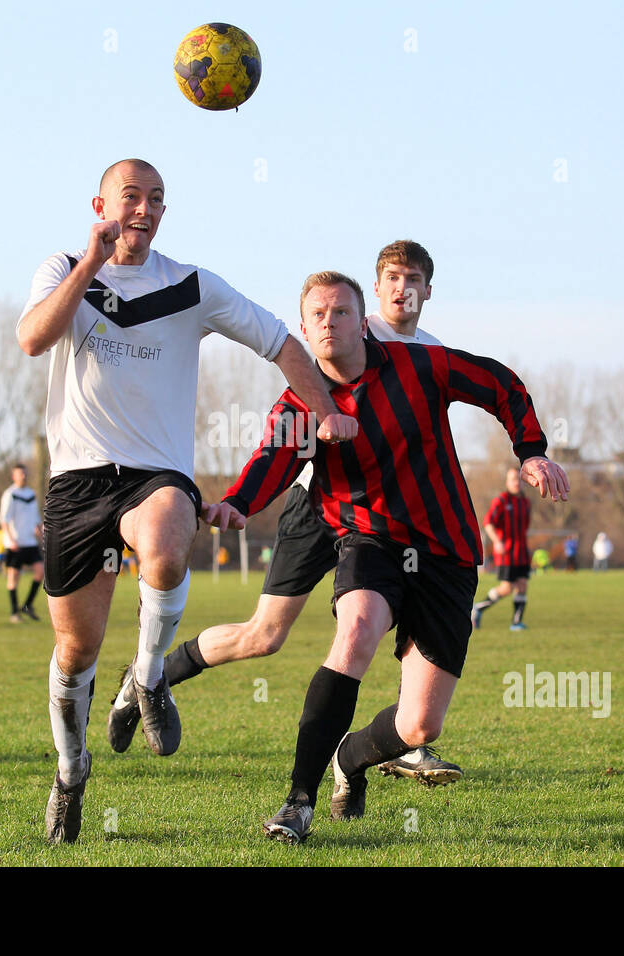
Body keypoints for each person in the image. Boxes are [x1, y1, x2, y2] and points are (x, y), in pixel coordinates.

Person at [16, 158, 354, 844]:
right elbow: (32, 339)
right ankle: (71, 772)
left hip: (155, 474)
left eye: (156, 200)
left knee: (169, 545)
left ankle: (148, 678)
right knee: (75, 652)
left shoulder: (192, 285)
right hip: (77, 482)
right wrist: (90, 263)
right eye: (130, 197)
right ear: (100, 204)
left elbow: (283, 344)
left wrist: (325, 412)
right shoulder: (62, 269)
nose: (143, 209)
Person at [202, 271, 567, 844]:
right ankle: (298, 802)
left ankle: (350, 759)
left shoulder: (419, 365)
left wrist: (532, 452)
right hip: (369, 540)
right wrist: (237, 503)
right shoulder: (301, 402)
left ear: (361, 318)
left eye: (341, 312)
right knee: (356, 631)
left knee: (420, 723)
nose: (329, 322)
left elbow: (502, 383)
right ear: (303, 328)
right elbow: (273, 457)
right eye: (317, 315)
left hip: (447, 550)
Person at [157, 240, 464, 786]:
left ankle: (403, 739)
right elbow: (288, 423)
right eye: (392, 277)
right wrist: (242, 499)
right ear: (376, 288)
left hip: (379, 516)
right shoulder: (346, 329)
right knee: (265, 635)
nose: (402, 288)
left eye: (413, 279)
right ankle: (155, 672)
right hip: (314, 505)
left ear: (428, 291)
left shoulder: (432, 354)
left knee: (388, 607)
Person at [471, 468, 533, 630]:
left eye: (518, 479)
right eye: (513, 479)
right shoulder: (502, 501)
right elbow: (488, 523)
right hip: (507, 553)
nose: (516, 482)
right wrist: (497, 541)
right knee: (506, 588)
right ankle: (478, 608)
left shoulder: (525, 502)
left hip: (522, 553)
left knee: (522, 585)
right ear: (507, 482)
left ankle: (516, 622)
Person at [0, 463, 45, 623]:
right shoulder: (9, 494)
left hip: (30, 542)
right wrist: (11, 540)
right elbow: (4, 520)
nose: (23, 476)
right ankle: (14, 612)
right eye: (20, 474)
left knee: (40, 571)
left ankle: (27, 605)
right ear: (14, 476)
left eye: (25, 474)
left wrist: (41, 535)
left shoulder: (31, 494)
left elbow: (36, 520)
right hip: (15, 543)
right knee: (14, 576)